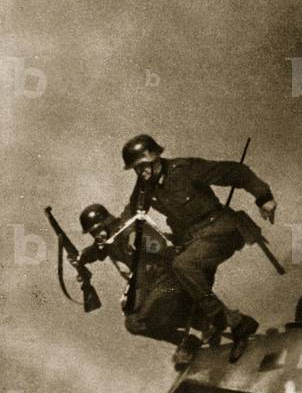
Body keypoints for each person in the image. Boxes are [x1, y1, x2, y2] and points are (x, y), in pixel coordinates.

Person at [119, 134, 276, 363]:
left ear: (156, 158)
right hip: (193, 240)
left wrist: (263, 197)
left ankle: (232, 323)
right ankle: (207, 326)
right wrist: (126, 233)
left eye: (143, 166)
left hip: (220, 229)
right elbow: (130, 214)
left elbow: (235, 172)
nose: (141, 173)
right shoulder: (145, 187)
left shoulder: (184, 169)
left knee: (183, 264)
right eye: (135, 169)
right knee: (172, 275)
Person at [76, 203, 193, 344]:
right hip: (153, 284)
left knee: (142, 317)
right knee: (134, 321)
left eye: (97, 231)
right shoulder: (108, 240)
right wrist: (82, 257)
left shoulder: (129, 231)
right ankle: (187, 339)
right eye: (93, 233)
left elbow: (165, 247)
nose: (96, 236)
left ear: (107, 223)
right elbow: (97, 250)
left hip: (167, 279)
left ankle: (198, 331)